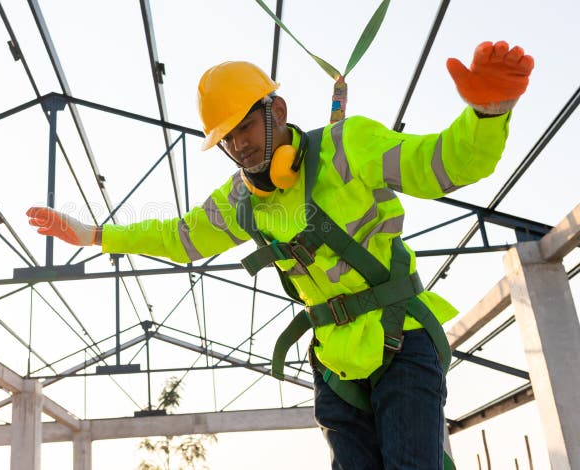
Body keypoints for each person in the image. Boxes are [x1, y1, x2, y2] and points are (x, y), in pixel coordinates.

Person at [26, 41, 534, 469]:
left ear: (280, 112)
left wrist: (486, 115)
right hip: (335, 361)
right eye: (226, 138)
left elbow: (439, 165)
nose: (239, 146)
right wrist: (95, 235)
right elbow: (178, 237)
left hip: (400, 340)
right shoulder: (242, 200)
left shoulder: (347, 148)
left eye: (245, 128)